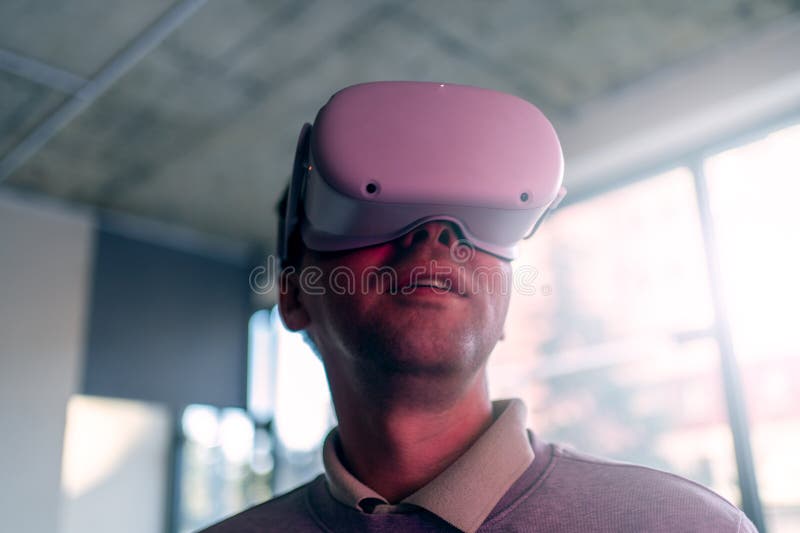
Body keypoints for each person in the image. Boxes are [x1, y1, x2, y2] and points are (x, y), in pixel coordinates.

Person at [202, 82, 757, 532]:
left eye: (469, 217)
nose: (437, 235)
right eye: (376, 209)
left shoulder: (683, 526)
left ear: (507, 302)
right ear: (295, 295)